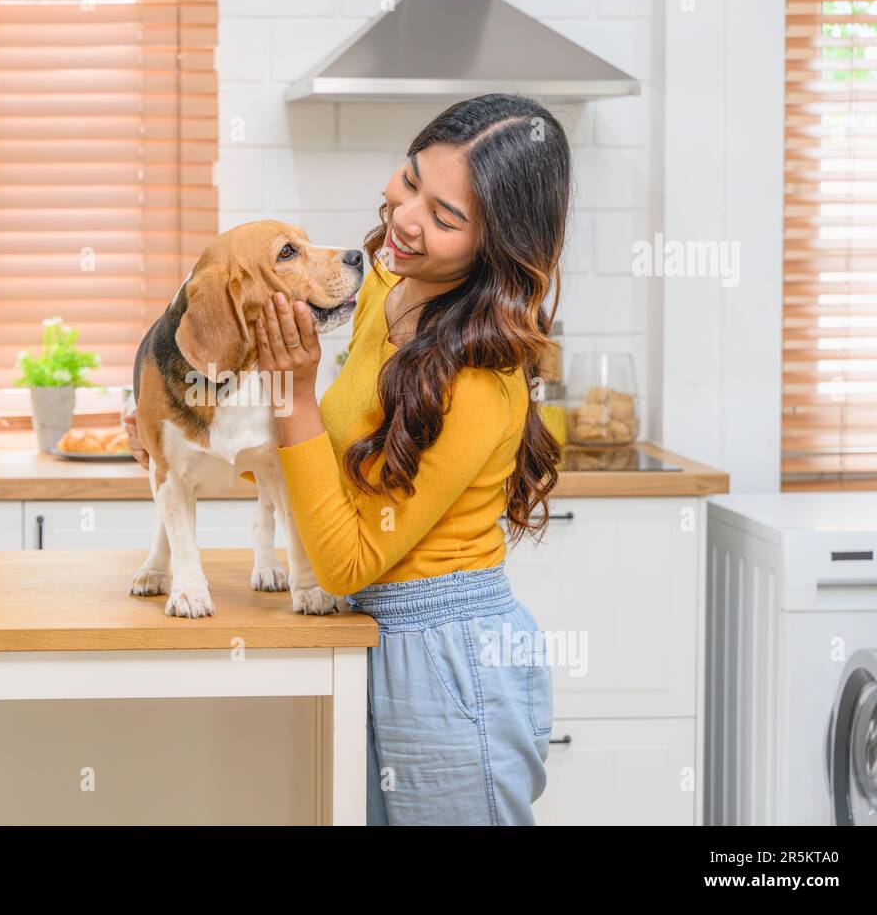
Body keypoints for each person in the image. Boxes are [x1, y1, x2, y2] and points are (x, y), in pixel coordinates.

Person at [123, 94, 565, 825]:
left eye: (445, 216)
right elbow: (213, 318)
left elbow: (344, 563)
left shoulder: (480, 383)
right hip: (368, 636)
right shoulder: (389, 290)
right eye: (410, 178)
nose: (406, 217)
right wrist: (153, 393)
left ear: (496, 244)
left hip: (447, 662)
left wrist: (295, 395)